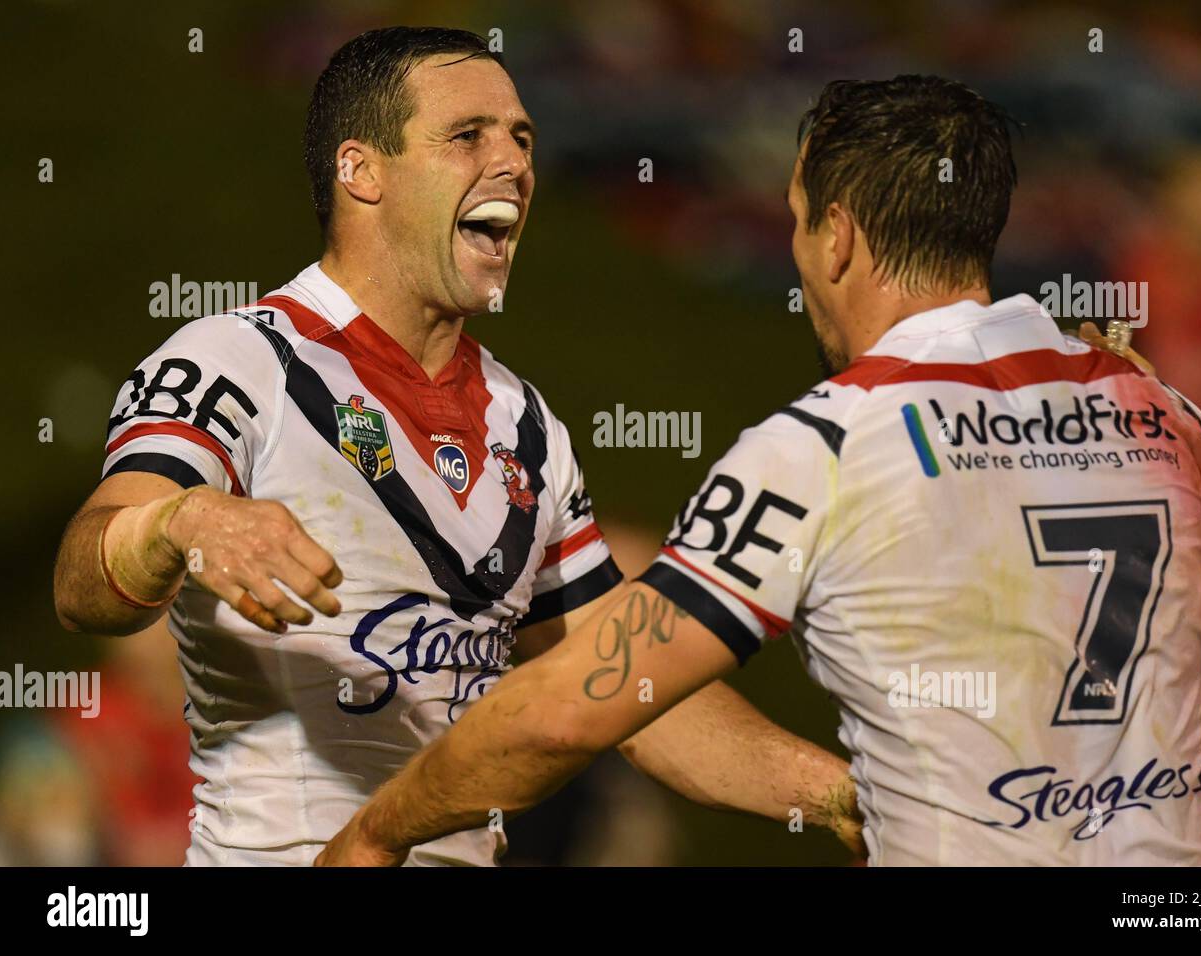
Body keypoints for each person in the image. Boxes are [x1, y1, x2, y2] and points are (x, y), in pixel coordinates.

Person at [318, 75, 1201, 867]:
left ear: (835, 235)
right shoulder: (1155, 411)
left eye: (794, 222)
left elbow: (571, 707)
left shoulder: (828, 444)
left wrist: (377, 829)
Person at [52, 27, 862, 866]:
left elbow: (632, 689)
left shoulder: (528, 423)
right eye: (467, 135)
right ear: (359, 171)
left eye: (523, 137)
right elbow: (84, 583)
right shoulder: (236, 361)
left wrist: (842, 795)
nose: (512, 161)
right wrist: (183, 521)